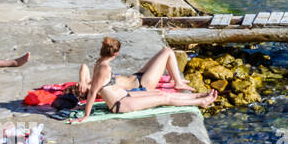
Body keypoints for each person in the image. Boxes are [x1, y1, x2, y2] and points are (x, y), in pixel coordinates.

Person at [74, 39, 216, 122]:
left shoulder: (100, 62)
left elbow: (84, 70)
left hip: (125, 95)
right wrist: (86, 115)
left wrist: (82, 81)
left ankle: (199, 95)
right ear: (115, 53)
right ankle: (201, 101)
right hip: (120, 103)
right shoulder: (103, 68)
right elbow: (92, 93)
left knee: (160, 94)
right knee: (164, 98)